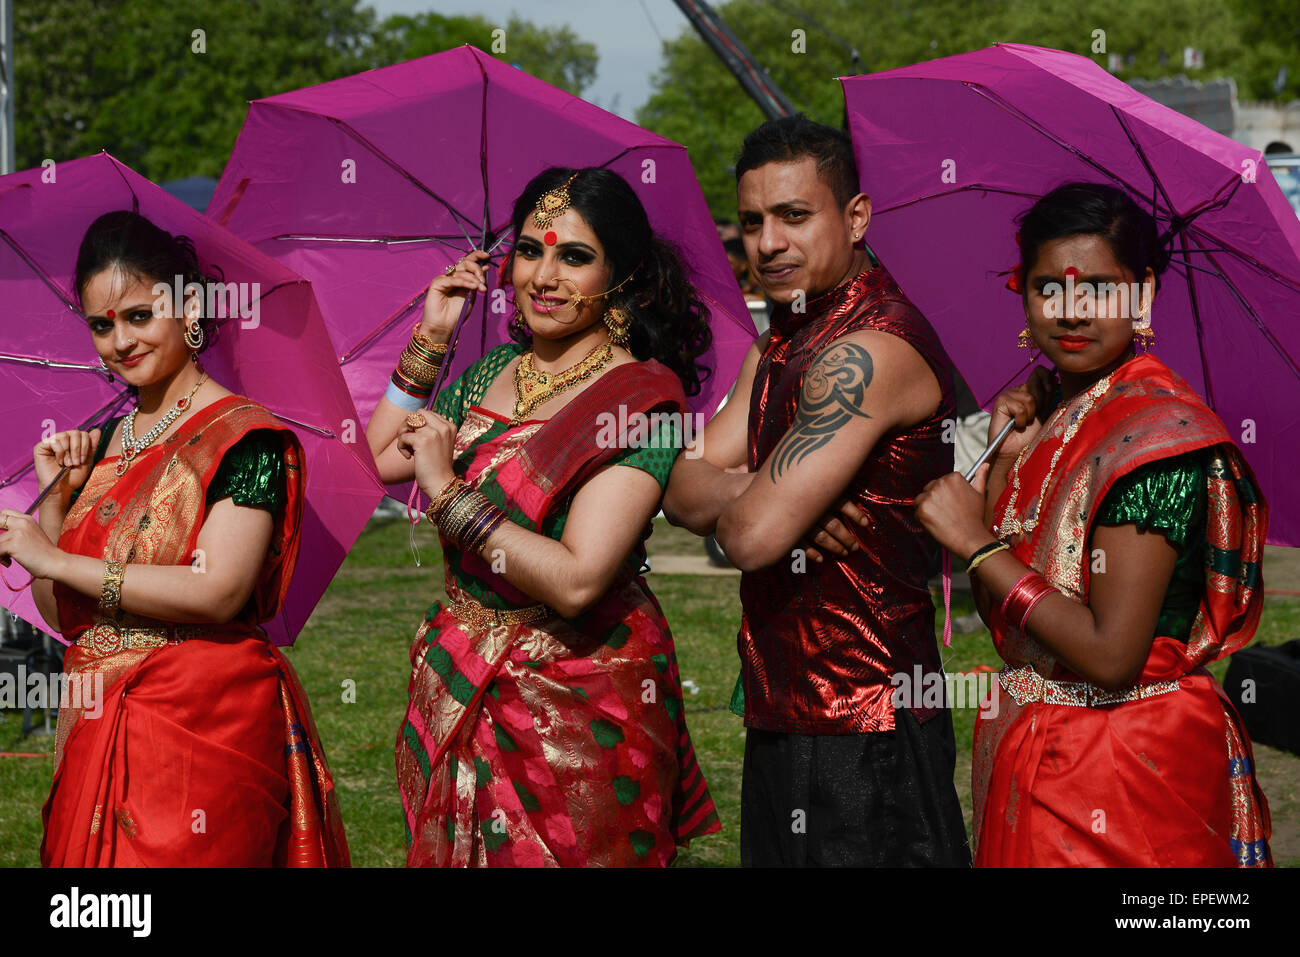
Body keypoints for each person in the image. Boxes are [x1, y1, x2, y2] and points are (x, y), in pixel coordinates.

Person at [367, 167, 721, 867]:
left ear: (623, 276)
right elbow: (380, 455)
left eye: (575, 256)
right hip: (465, 673)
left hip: (579, 694)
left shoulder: (641, 400)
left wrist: (445, 494)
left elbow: (579, 579)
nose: (544, 276)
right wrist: (433, 334)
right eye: (530, 250)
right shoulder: (494, 367)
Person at [914, 182, 1272, 867]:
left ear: (1143, 296)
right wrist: (1008, 458)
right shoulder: (1054, 414)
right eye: (1050, 287)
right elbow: (1013, 611)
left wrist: (976, 542)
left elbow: (1110, 658)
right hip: (1043, 749)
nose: (1072, 312)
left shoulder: (1153, 442)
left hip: (1122, 764)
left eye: (1101, 289)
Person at [663, 115, 969, 866]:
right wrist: (764, 485)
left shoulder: (865, 349)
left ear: (855, 216)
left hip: (868, 724)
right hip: (785, 707)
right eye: (753, 221)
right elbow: (677, 483)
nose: (768, 243)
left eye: (795, 216)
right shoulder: (780, 343)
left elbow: (748, 537)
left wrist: (759, 502)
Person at [0, 210, 348, 866]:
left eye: (137, 315)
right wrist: (56, 505)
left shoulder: (245, 439)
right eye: (101, 325)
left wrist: (58, 558)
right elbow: (65, 616)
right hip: (97, 720)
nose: (118, 341)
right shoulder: (100, 446)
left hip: (202, 721)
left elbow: (219, 590)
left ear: (188, 305)